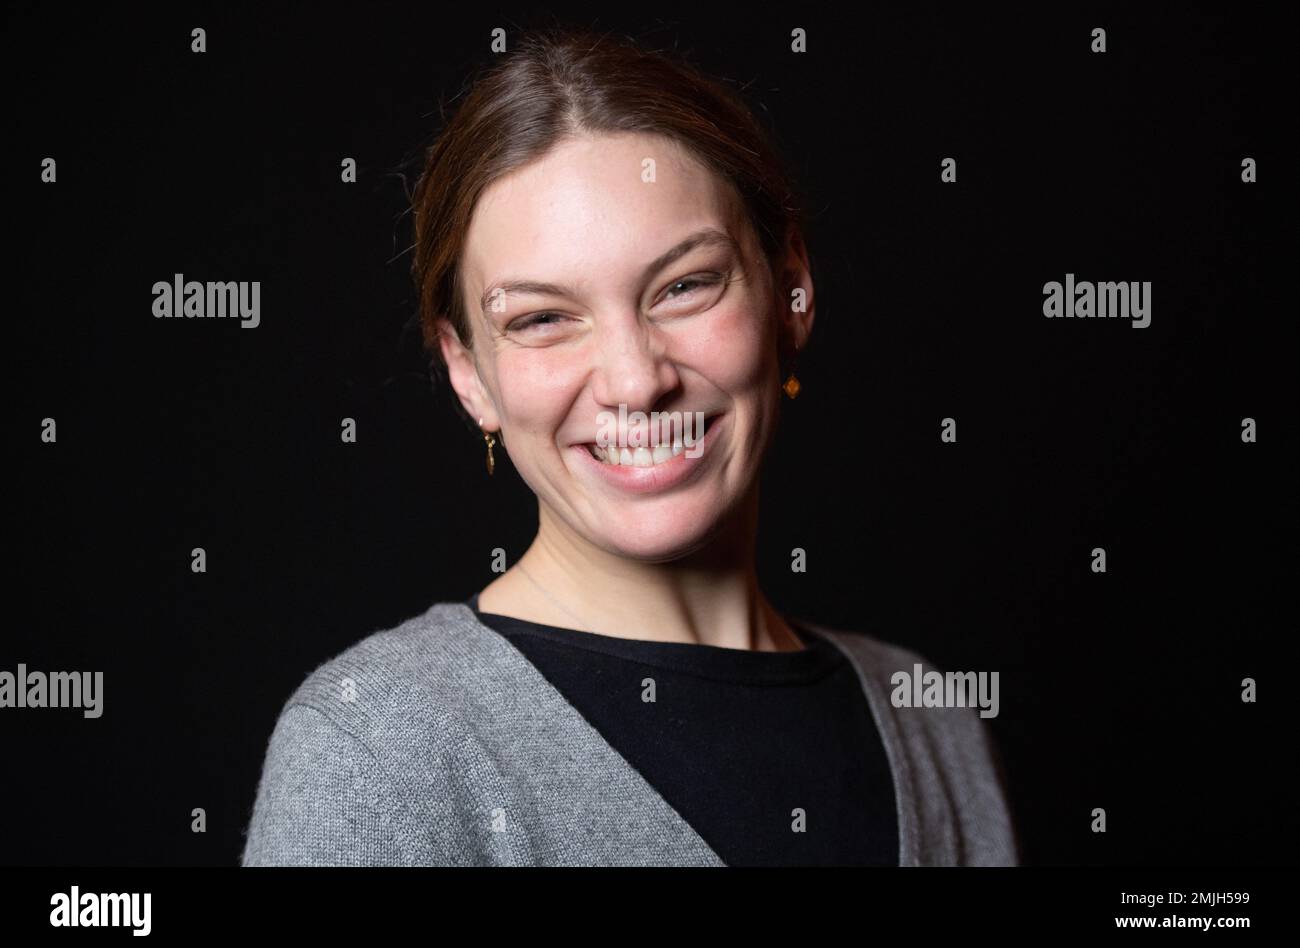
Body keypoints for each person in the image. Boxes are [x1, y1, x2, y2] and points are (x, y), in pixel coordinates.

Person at [241, 27, 1020, 866]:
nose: (633, 381)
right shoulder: (380, 751)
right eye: (541, 318)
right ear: (469, 371)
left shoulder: (931, 715)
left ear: (791, 288)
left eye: (685, 286)